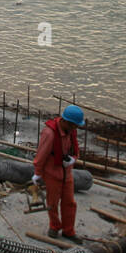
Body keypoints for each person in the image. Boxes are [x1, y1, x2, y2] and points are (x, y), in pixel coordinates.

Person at [32, 104, 84, 243]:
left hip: (67, 174)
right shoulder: (49, 133)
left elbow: (75, 150)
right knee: (52, 203)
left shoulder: (71, 131)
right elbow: (41, 154)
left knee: (70, 203)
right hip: (52, 174)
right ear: (66, 122)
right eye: (74, 126)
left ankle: (69, 230)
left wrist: (73, 159)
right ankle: (54, 226)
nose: (75, 129)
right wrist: (37, 173)